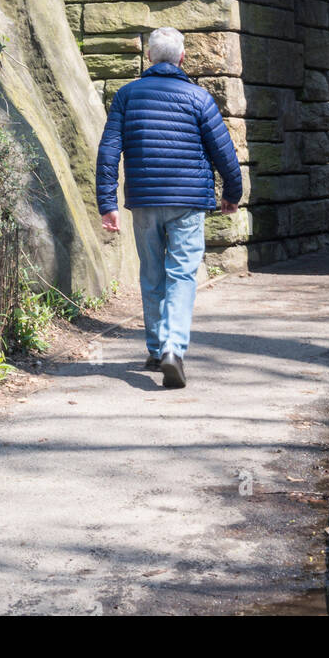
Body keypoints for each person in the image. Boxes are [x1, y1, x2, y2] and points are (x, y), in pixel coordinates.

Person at [95, 26, 242, 389]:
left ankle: (156, 347)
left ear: (149, 58)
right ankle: (172, 349)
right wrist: (232, 193)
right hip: (188, 201)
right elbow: (223, 151)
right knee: (181, 274)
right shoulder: (199, 97)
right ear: (182, 57)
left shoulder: (126, 96)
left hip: (145, 200)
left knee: (152, 274)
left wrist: (107, 202)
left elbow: (109, 151)